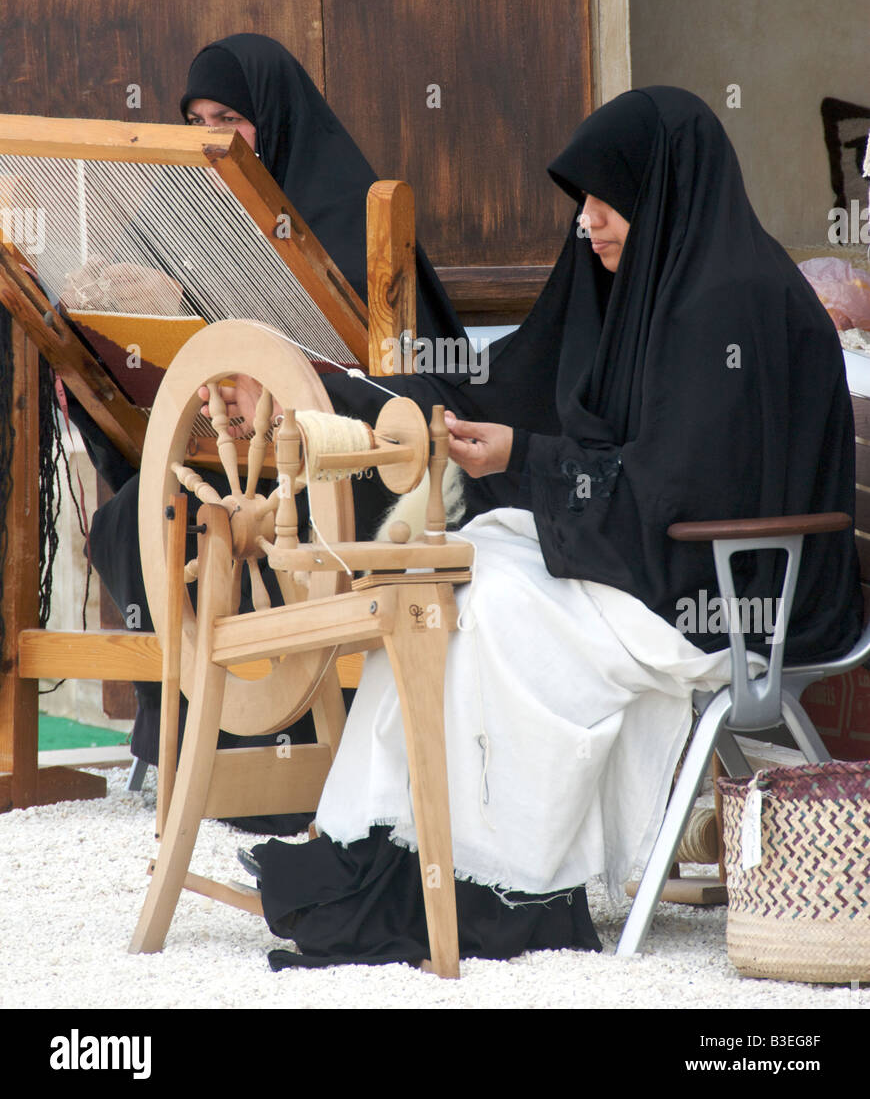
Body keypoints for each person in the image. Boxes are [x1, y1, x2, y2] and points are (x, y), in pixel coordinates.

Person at [232, 86, 861, 967]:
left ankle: (505, 882)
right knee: (449, 574)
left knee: (488, 602)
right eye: (585, 205)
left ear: (662, 194)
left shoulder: (734, 306)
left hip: (724, 591)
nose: (590, 225)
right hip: (655, 561)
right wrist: (332, 386)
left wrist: (526, 459)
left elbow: (682, 494)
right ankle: (381, 845)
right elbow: (506, 387)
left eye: (608, 203)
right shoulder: (639, 282)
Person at [71, 33, 466, 775]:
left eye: (228, 116)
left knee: (251, 530)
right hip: (230, 471)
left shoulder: (353, 219)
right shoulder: (179, 218)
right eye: (193, 121)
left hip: (336, 475)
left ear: (274, 120)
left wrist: (275, 396)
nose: (210, 137)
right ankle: (192, 749)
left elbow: (410, 391)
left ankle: (282, 756)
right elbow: (135, 379)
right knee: (133, 520)